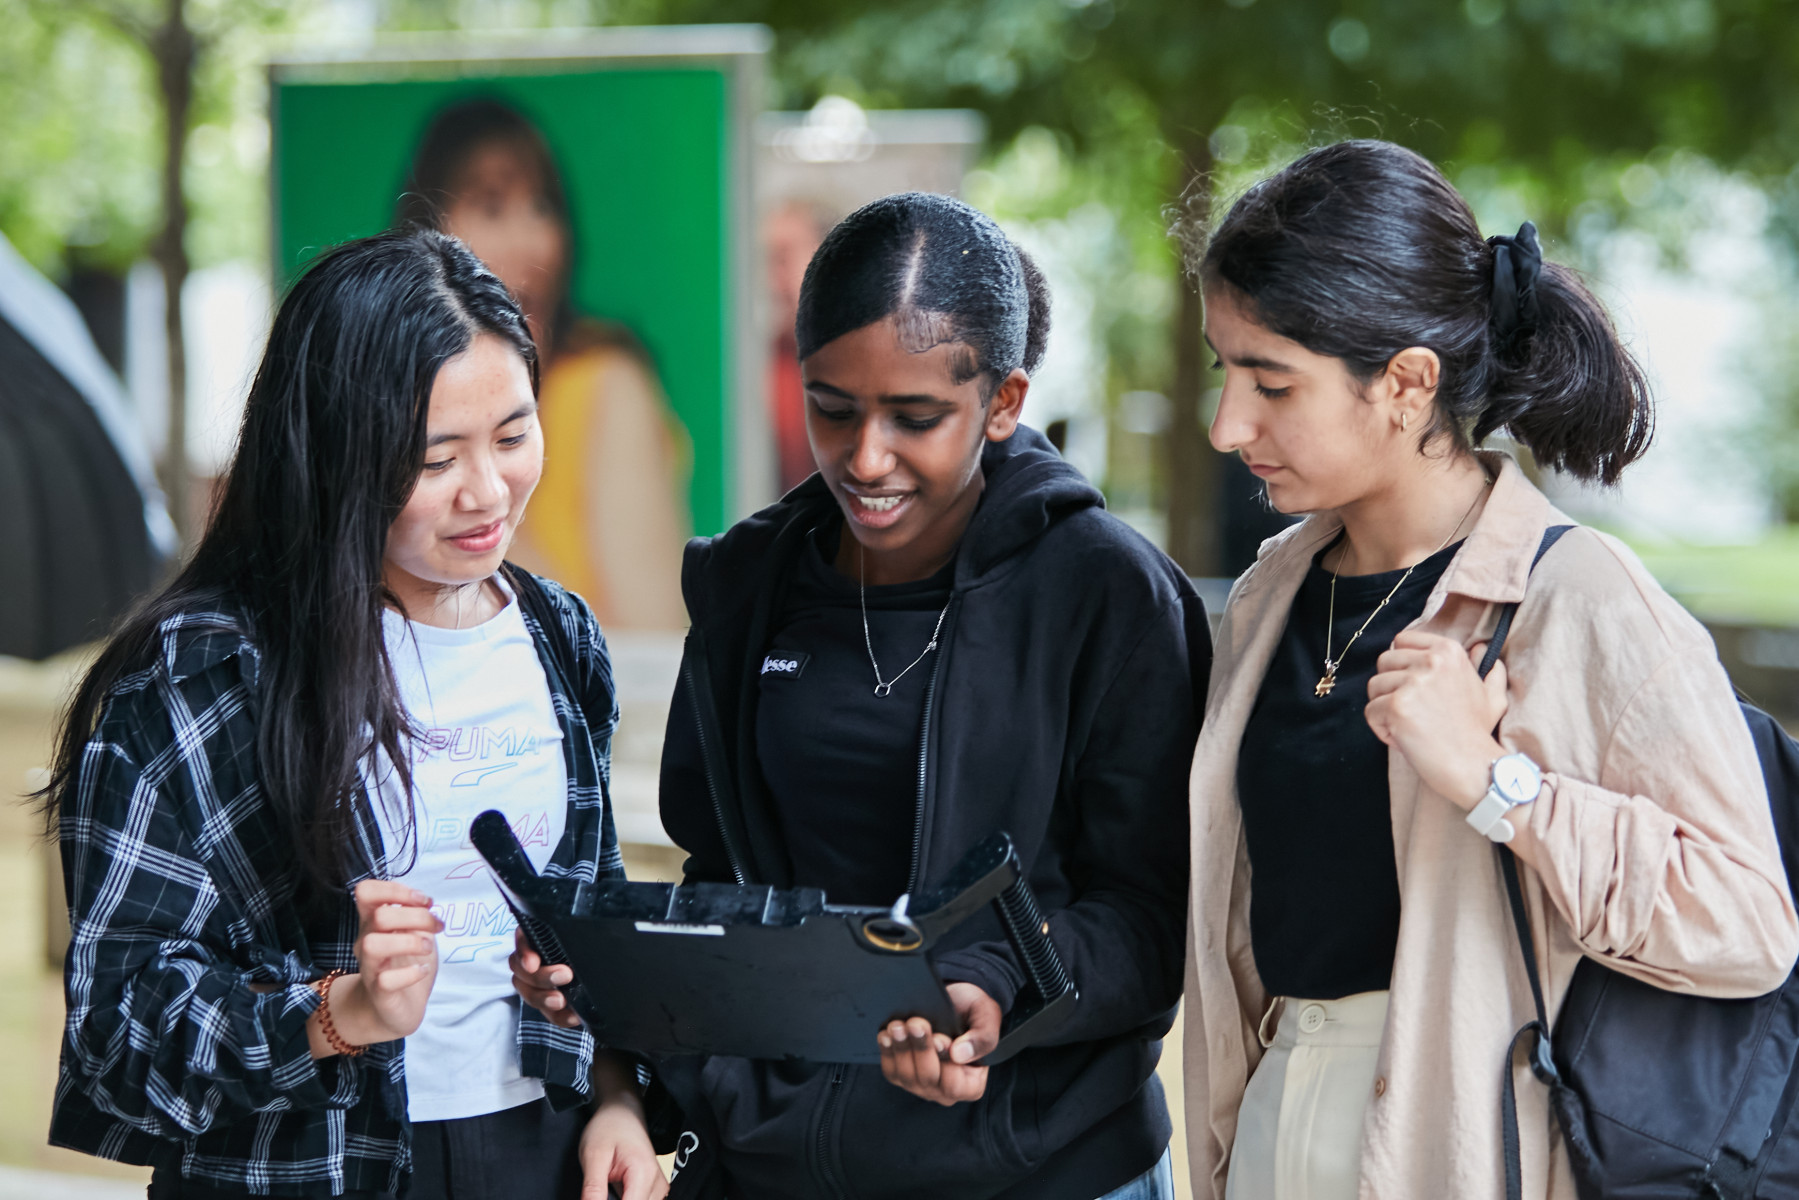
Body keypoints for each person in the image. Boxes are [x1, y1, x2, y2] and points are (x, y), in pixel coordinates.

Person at [512, 192, 1210, 1199]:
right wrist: (618, 1006)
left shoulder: (1106, 591)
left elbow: (1153, 919)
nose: (866, 457)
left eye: (915, 418)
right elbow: (721, 878)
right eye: (832, 407)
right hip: (772, 1166)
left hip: (1038, 1167)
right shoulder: (749, 582)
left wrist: (996, 984)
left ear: (1004, 402)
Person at [1180, 139, 1799, 1200]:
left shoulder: (1580, 600)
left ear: (1405, 384)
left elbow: (1746, 926)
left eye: (1269, 382)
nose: (1227, 423)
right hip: (1272, 1121)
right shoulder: (1265, 596)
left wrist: (1494, 782)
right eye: (1223, 370)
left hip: (1470, 1146)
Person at [43, 228, 663, 1200]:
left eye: (511, 434)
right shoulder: (198, 683)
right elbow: (118, 1039)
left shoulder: (556, 637)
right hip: (304, 1169)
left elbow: (600, 924)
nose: (488, 492)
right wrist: (339, 1012)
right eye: (432, 459)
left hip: (538, 1158)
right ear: (330, 455)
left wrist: (620, 1096)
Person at [398, 96, 692, 631]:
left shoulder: (607, 382)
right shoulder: (387, 396)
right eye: (492, 207)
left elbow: (652, 644)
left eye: (543, 207)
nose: (536, 242)